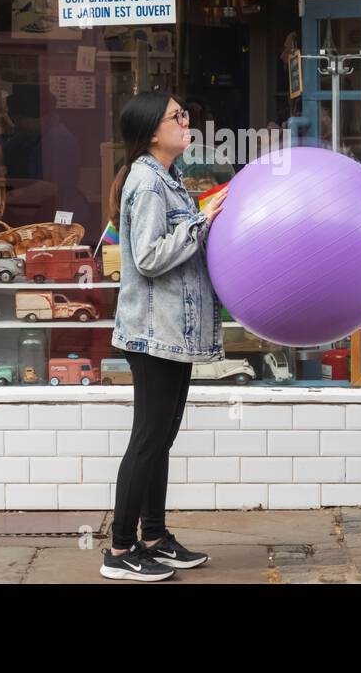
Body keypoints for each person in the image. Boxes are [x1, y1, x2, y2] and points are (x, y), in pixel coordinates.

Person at [101, 91, 228, 582]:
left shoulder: (168, 178)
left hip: (175, 331)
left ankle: (153, 537)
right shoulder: (147, 183)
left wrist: (205, 216)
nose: (186, 121)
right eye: (178, 116)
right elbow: (150, 256)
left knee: (162, 437)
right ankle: (118, 548)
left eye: (185, 114)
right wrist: (203, 222)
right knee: (148, 439)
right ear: (154, 130)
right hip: (152, 334)